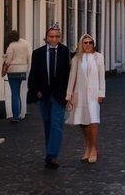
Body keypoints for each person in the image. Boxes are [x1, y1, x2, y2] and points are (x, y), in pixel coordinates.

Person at [28, 26, 72, 168]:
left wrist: (69, 93)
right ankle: (49, 153)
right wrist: (36, 91)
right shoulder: (38, 53)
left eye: (57, 36)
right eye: (51, 36)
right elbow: (33, 73)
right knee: (47, 124)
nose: (54, 39)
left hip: (59, 95)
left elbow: (68, 74)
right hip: (43, 94)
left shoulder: (65, 52)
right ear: (47, 38)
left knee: (56, 124)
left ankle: (52, 155)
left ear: (60, 37)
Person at [65, 33, 106, 164]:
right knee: (83, 122)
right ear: (81, 44)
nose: (88, 45)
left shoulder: (99, 57)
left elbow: (101, 76)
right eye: (85, 43)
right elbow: (72, 77)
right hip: (80, 94)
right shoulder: (77, 58)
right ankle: (88, 147)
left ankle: (93, 149)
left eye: (90, 43)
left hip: (94, 95)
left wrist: (101, 93)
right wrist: (69, 95)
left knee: (93, 121)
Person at [1, 29, 30, 122]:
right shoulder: (25, 43)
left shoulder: (11, 45)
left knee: (14, 93)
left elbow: (8, 60)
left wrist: (4, 67)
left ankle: (16, 117)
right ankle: (21, 113)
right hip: (23, 69)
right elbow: (30, 56)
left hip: (13, 70)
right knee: (20, 92)